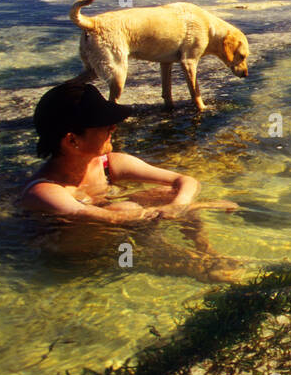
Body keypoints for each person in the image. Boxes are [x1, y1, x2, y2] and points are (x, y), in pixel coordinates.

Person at [21, 81, 239, 280]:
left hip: (114, 227)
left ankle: (207, 252)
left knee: (168, 194)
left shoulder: (109, 164)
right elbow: (112, 219)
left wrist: (179, 204)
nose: (113, 128)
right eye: (103, 125)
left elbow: (186, 181)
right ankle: (193, 266)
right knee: (124, 207)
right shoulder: (44, 190)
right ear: (72, 140)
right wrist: (203, 205)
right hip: (72, 257)